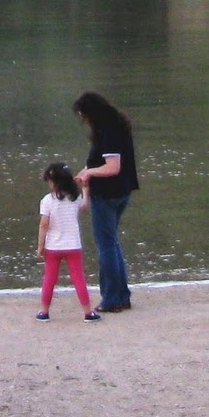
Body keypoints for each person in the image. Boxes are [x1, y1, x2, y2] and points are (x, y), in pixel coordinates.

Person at [73, 91, 139, 313]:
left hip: (108, 194)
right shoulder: (117, 127)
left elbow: (113, 167)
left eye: (84, 115)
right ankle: (122, 295)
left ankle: (111, 298)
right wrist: (89, 171)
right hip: (122, 191)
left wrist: (89, 173)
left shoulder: (109, 131)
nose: (84, 120)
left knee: (106, 245)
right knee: (112, 242)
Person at [36, 161, 100, 322]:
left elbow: (44, 224)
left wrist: (40, 246)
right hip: (73, 245)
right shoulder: (74, 197)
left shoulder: (47, 200)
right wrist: (86, 190)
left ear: (53, 182)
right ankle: (87, 312)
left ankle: (44, 312)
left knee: (50, 278)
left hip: (53, 246)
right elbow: (85, 207)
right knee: (79, 278)